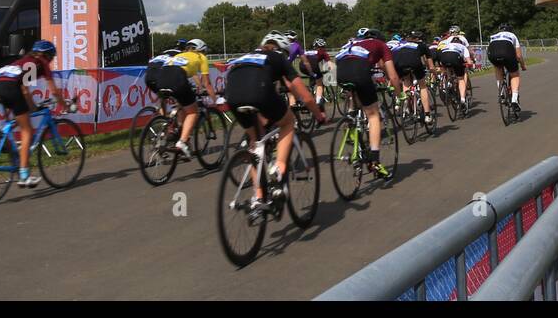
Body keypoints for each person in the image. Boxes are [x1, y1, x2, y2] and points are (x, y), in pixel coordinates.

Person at [224, 37, 325, 215]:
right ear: (283, 50)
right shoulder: (278, 57)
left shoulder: (249, 55)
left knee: (256, 143)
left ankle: (259, 197)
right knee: (288, 122)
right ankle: (278, 168)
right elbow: (302, 93)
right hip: (258, 91)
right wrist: (318, 114)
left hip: (232, 93)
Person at [0, 39, 66, 187]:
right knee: (27, 131)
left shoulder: (25, 61)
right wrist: (65, 105)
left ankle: (1, 136)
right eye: (51, 57)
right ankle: (24, 175)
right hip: (11, 88)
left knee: (18, 119)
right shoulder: (41, 63)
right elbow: (54, 91)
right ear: (46, 55)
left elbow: (25, 90)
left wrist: (33, 108)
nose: (51, 61)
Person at [333, 28, 402, 178]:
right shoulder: (381, 45)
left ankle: (351, 122)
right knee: (373, 115)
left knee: (356, 98)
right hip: (359, 72)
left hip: (341, 72)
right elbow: (393, 76)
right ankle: (375, 161)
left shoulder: (353, 43)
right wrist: (399, 95)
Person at [144, 38, 218, 157]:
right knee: (192, 112)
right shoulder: (201, 57)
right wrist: (215, 100)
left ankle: (169, 128)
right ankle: (182, 142)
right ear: (201, 50)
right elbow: (206, 83)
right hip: (177, 79)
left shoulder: (180, 55)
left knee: (179, 103)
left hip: (161, 78)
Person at [390, 30, 435, 127]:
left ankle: (406, 102)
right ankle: (427, 115)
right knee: (423, 86)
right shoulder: (421, 45)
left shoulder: (399, 44)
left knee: (406, 80)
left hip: (398, 63)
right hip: (414, 63)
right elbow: (430, 64)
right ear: (416, 39)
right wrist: (432, 70)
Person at [485, 23, 525, 109]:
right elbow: (518, 56)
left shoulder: (493, 36)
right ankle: (514, 100)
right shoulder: (512, 35)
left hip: (493, 54)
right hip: (507, 53)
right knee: (515, 75)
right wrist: (522, 65)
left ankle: (501, 93)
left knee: (498, 69)